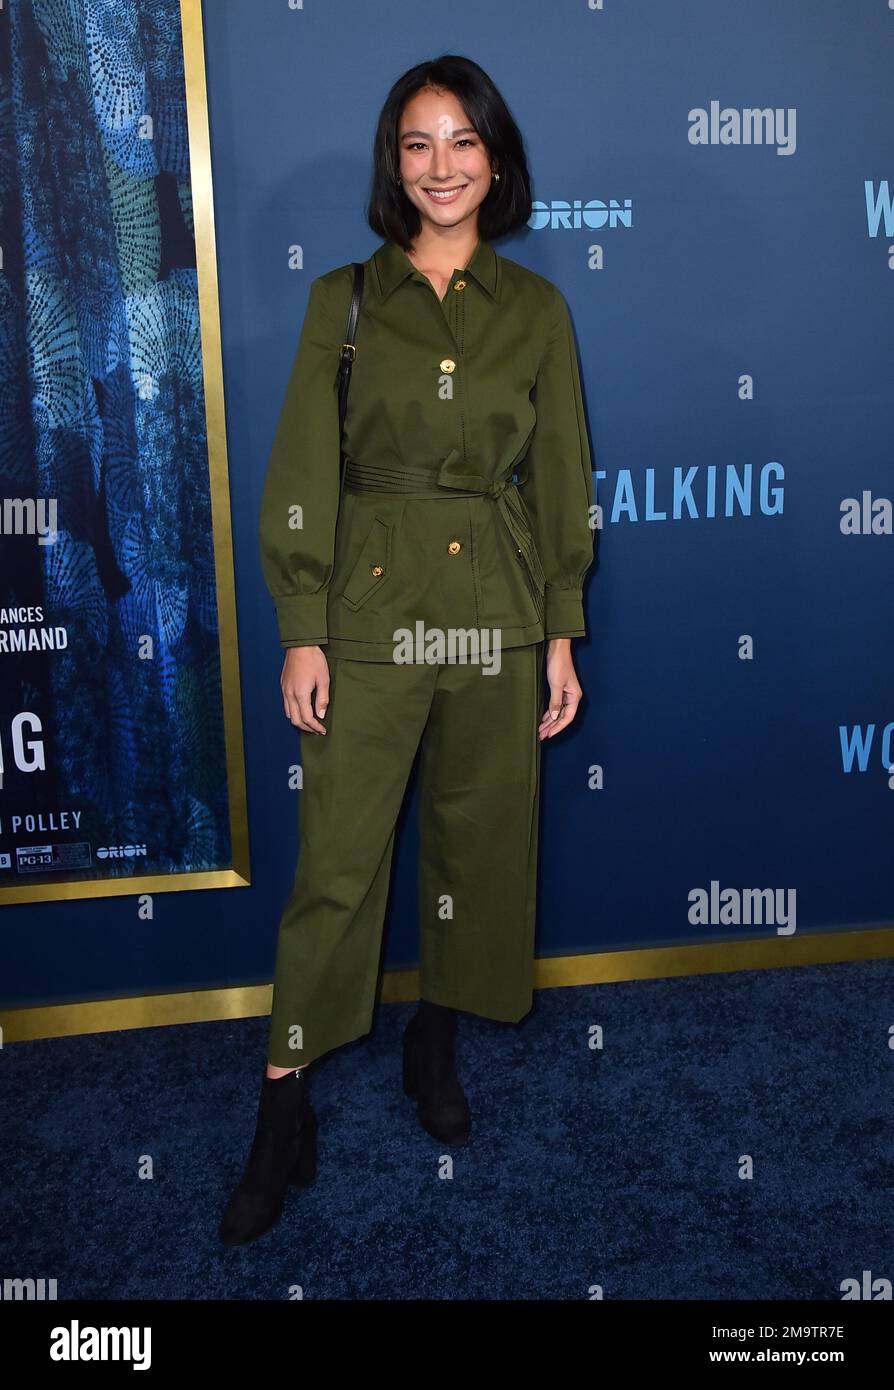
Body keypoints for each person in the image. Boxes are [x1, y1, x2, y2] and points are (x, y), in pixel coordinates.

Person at [219, 53, 597, 1246]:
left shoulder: (536, 311)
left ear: (496, 156)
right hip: (370, 616)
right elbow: (298, 479)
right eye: (418, 144)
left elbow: (563, 482)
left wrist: (559, 630)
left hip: (496, 608)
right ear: (395, 164)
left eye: (463, 141)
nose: (442, 166)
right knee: (336, 860)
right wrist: (302, 627)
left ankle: (433, 1034)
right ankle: (284, 1104)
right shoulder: (343, 299)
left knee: (476, 840)